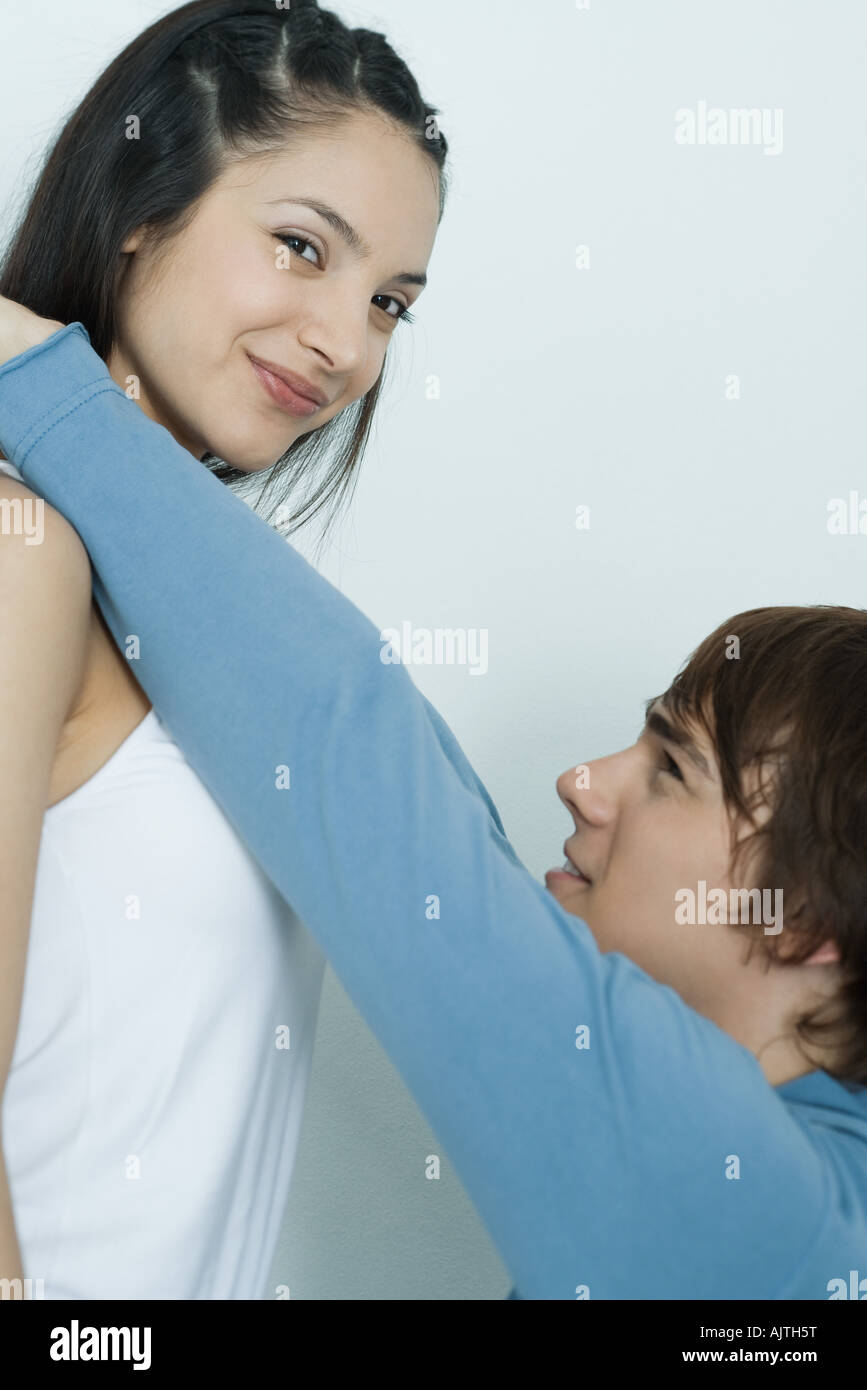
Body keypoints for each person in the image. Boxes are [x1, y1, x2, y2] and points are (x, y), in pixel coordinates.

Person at [1, 314, 865, 1300]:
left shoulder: (760, 1214)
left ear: (803, 920)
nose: (580, 780)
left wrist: (39, 381)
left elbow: (371, 777)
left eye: (671, 769)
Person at [0, 0, 447, 1299]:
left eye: (389, 304)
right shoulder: (27, 556)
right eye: (301, 247)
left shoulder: (204, 616)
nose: (345, 342)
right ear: (139, 206)